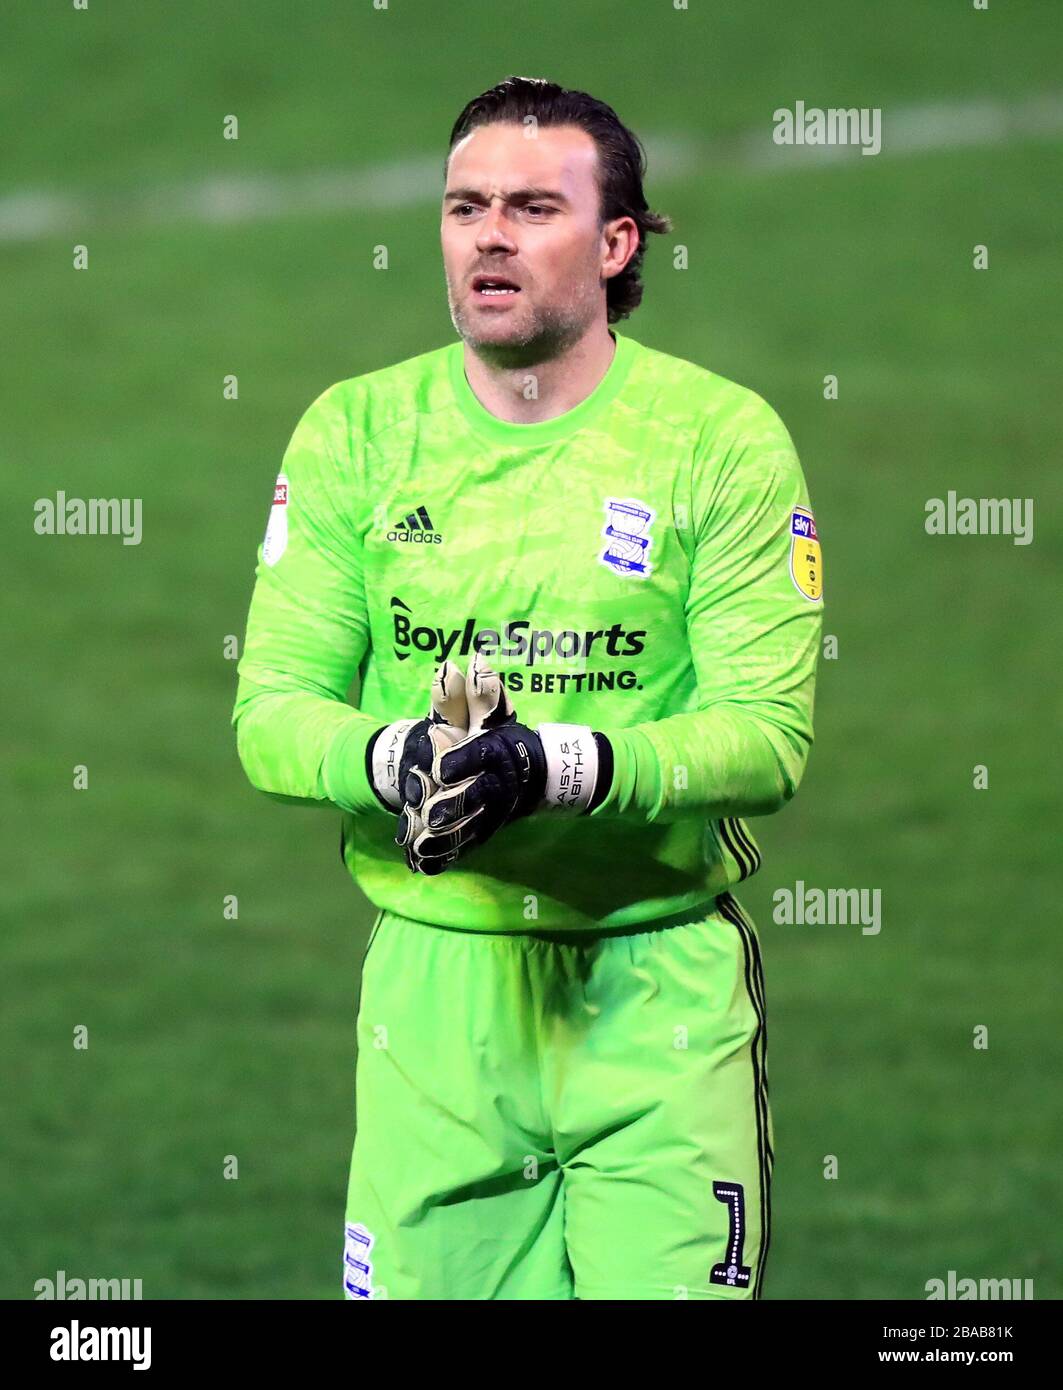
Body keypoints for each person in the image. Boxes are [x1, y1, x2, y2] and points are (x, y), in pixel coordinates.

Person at [232, 75, 824, 1300]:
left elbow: (767, 738)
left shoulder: (719, 440)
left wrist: (550, 765)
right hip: (436, 1004)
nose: (489, 235)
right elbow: (272, 712)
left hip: (652, 996)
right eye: (465, 206)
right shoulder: (355, 434)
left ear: (615, 245)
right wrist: (406, 760)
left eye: (532, 208)